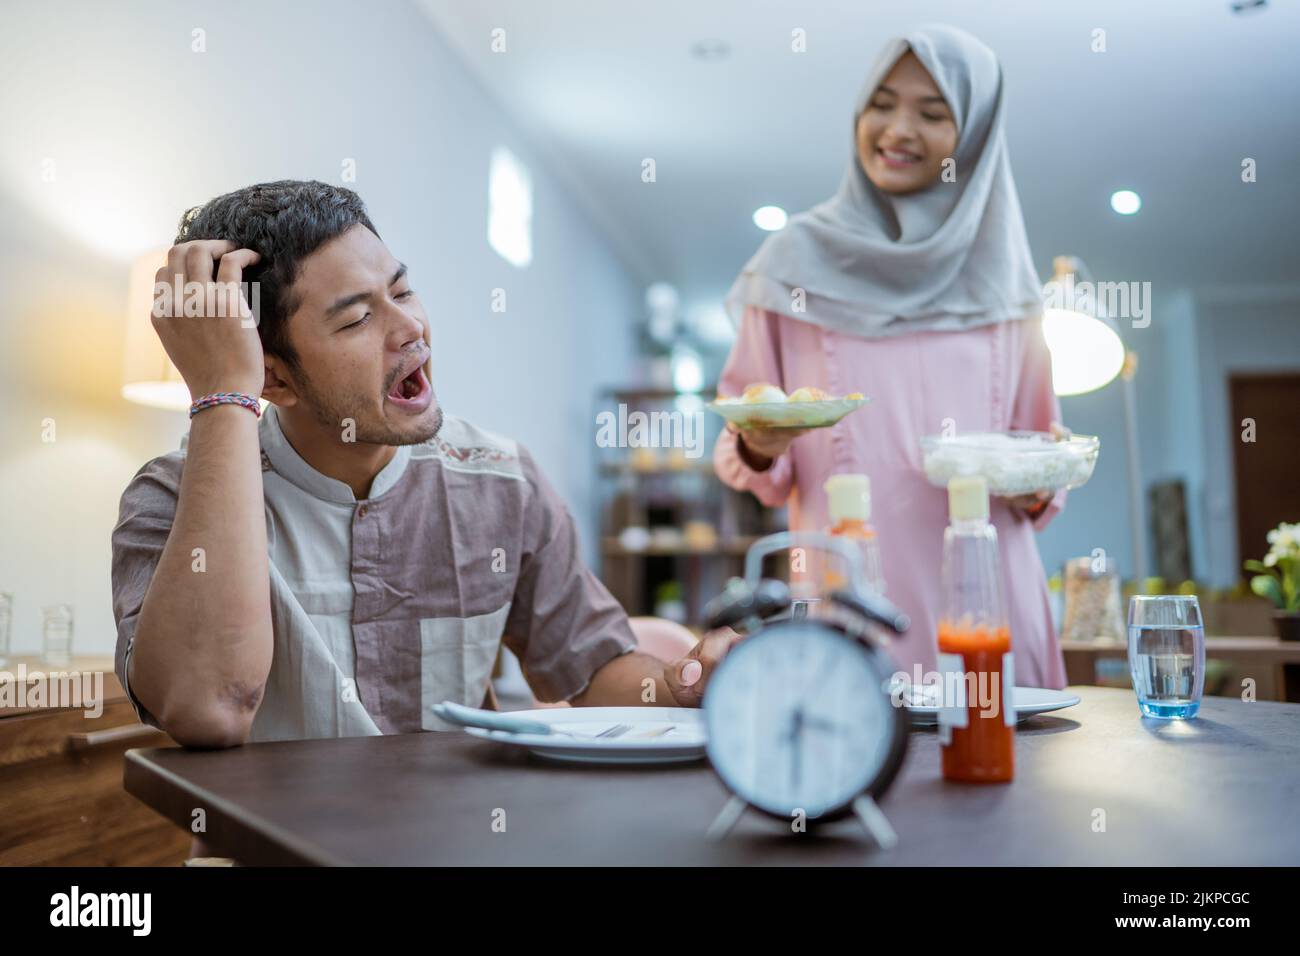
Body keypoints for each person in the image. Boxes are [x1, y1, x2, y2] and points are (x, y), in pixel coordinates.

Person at [111, 180, 737, 750]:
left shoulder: (500, 479)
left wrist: (684, 684)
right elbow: (208, 708)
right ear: (273, 376)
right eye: (357, 317)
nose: (410, 326)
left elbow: (594, 668)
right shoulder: (170, 495)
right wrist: (222, 394)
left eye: (403, 290)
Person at [714, 25, 1069, 688]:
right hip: (841, 595)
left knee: (998, 782)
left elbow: (1038, 456)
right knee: (851, 775)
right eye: (881, 104)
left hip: (988, 599)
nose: (898, 129)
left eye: (932, 114)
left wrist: (1041, 481)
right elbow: (748, 452)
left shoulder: (1008, 286)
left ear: (974, 136)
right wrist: (759, 446)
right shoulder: (794, 264)